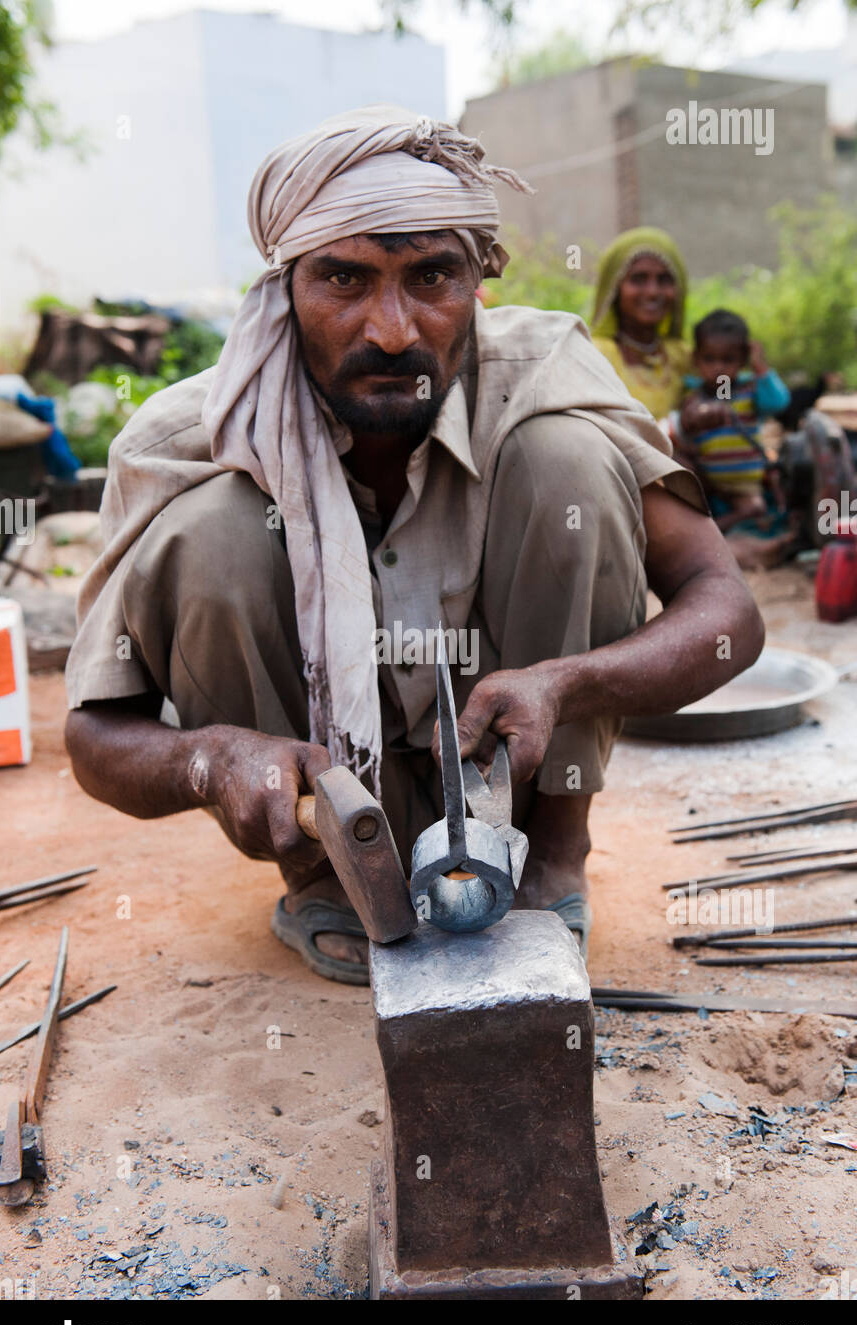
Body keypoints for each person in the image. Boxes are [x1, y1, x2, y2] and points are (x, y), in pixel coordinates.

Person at [64, 106, 764, 985]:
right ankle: (328, 877)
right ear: (284, 288)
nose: (391, 330)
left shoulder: (546, 374)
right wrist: (212, 760)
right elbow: (94, 733)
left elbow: (727, 608)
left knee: (570, 463)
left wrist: (565, 684)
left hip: (523, 769)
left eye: (431, 277)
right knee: (214, 527)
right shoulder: (186, 438)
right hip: (332, 809)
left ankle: (553, 849)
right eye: (345, 280)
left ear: (480, 282)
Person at [674, 309, 791, 533]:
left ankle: (714, 531)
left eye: (728, 360)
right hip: (707, 480)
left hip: (744, 485)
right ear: (696, 359)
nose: (718, 368)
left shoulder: (749, 392)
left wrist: (760, 368)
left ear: (743, 361)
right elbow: (685, 426)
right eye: (709, 359)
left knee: (755, 507)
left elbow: (779, 402)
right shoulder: (694, 396)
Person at [590, 227, 691, 419]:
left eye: (664, 279)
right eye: (638, 279)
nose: (653, 292)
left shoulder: (683, 357)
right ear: (614, 288)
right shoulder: (595, 356)